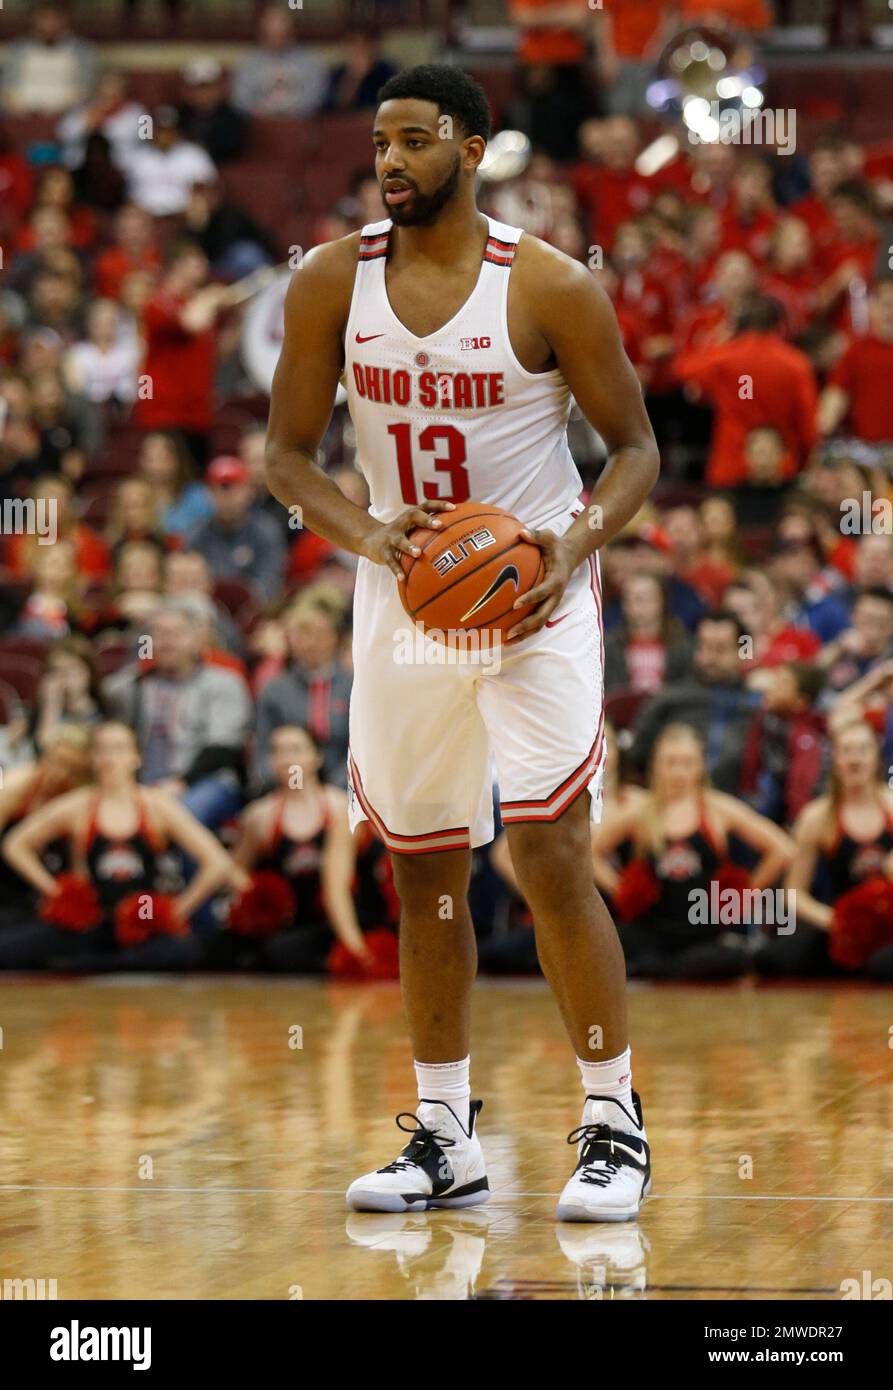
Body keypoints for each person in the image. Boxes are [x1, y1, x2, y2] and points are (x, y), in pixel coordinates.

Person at [264, 65, 660, 1222]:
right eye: (379, 142)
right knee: (421, 869)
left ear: (475, 149)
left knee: (546, 853)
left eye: (416, 140)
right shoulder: (330, 282)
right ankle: (444, 1136)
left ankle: (611, 1122)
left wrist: (569, 547)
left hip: (531, 595)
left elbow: (633, 450)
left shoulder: (550, 287)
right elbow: (288, 457)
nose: (390, 160)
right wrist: (374, 538)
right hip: (405, 602)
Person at [0, 722, 242, 972]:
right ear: (93, 759)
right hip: (92, 922)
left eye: (118, 749)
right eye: (102, 750)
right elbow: (15, 844)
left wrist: (178, 911)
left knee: (184, 951)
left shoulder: (156, 805)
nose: (110, 758)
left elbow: (217, 862)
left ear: (135, 757)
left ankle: (90, 966)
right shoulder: (78, 805)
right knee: (10, 950)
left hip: (143, 921)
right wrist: (56, 892)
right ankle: (95, 965)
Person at [592, 724, 794, 981]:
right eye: (670, 762)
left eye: (687, 763)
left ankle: (668, 970)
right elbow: (590, 854)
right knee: (610, 952)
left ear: (700, 767)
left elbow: (783, 849)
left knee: (729, 959)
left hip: (704, 935)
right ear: (657, 766)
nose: (678, 771)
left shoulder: (718, 809)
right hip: (652, 933)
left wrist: (743, 895)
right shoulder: (641, 812)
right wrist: (621, 890)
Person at [213, 725, 370, 973]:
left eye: (296, 750)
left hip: (339, 919)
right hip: (292, 926)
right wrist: (261, 900)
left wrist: (355, 948)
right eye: (278, 751)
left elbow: (340, 887)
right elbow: (233, 870)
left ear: (316, 757)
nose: (287, 759)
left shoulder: (342, 807)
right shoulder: (259, 816)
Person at [755, 720, 893, 980]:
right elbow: (793, 893)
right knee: (771, 959)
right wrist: (832, 920)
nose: (855, 760)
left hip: (890, 927)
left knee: (882, 965)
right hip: (843, 926)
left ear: (876, 757)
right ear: (835, 759)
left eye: (863, 750)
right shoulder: (817, 816)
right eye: (847, 751)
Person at [630, 610, 761, 793]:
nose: (710, 658)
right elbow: (637, 758)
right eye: (704, 647)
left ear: (743, 651)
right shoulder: (667, 699)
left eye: (721, 648)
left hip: (739, 803)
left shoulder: (757, 703)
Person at [253, 589, 351, 791]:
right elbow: (262, 756)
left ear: (334, 638)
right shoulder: (275, 690)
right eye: (301, 635)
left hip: (344, 790)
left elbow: (360, 750)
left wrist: (331, 791)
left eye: (319, 634)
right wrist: (295, 789)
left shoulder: (352, 686)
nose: (310, 643)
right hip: (288, 790)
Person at [188, 455, 285, 602]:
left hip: (252, 612)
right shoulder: (197, 533)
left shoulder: (266, 530)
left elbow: (269, 586)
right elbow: (187, 586)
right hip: (207, 611)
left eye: (233, 488)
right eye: (218, 488)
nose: (225, 496)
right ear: (208, 493)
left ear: (249, 490)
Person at [0, 2, 98, 116]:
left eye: (55, 18)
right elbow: (6, 87)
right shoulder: (18, 49)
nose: (50, 24)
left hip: (67, 114)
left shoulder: (83, 51)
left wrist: (63, 110)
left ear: (65, 20)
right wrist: (16, 108)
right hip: (20, 113)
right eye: (44, 18)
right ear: (35, 20)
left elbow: (87, 90)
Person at [232, 4, 326, 118]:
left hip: (298, 125)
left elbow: (315, 97)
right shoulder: (249, 63)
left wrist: (291, 112)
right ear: (262, 34)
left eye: (282, 34)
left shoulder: (309, 62)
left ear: (291, 33)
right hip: (259, 125)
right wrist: (259, 111)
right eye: (272, 34)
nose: (277, 40)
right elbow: (240, 99)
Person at [125, 106, 217, 218]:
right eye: (160, 131)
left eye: (168, 130)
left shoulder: (193, 154)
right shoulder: (138, 157)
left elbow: (209, 190)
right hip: (146, 218)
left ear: (177, 130)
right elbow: (130, 195)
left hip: (183, 216)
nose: (163, 136)